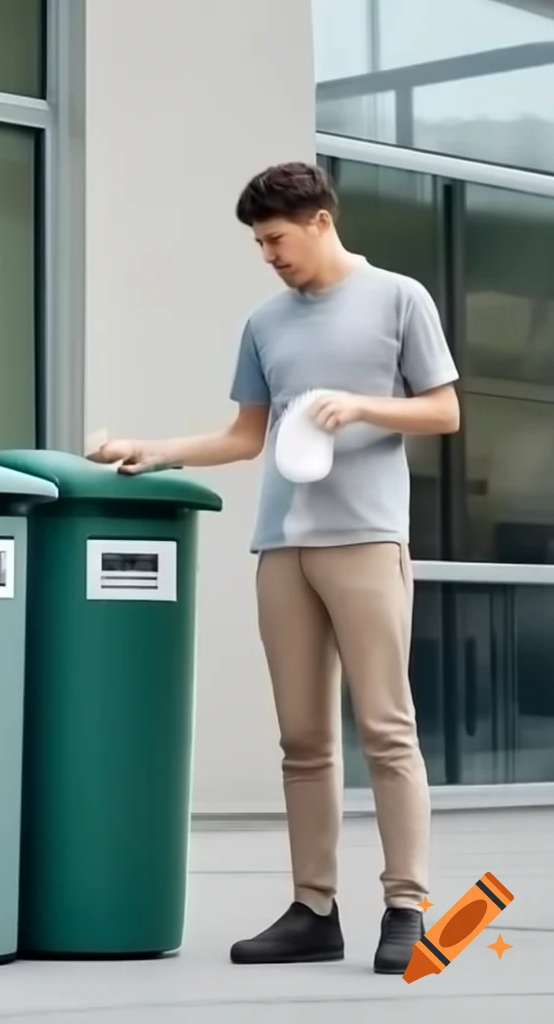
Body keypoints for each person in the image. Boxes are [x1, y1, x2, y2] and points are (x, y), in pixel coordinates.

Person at [88, 162, 460, 974]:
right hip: (282, 546)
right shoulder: (265, 322)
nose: (268, 255)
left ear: (320, 220)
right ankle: (313, 908)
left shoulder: (400, 299)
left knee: (386, 729)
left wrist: (362, 405)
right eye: (259, 243)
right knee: (301, 738)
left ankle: (408, 905)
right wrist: (154, 452)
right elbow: (245, 435)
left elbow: (445, 410)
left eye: (276, 238)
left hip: (365, 539)